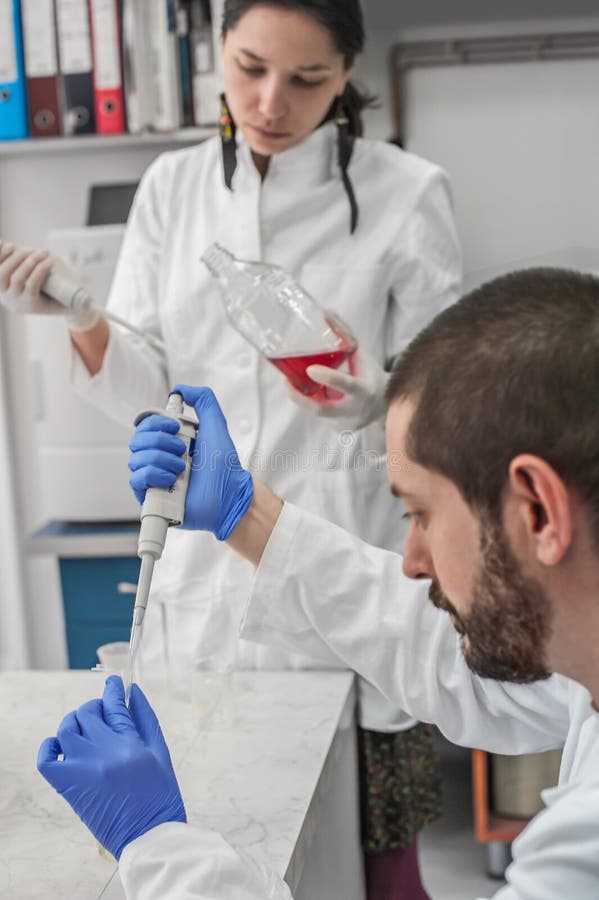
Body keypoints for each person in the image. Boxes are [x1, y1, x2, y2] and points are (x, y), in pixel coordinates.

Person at [0, 1, 462, 894]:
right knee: (215, 834)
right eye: (248, 67)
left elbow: (446, 405)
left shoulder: (409, 192)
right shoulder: (172, 188)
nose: (269, 100)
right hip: (201, 584)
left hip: (344, 569)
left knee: (380, 869)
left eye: (306, 79)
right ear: (217, 51)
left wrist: (374, 395)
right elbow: (149, 388)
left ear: (348, 75)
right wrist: (86, 319)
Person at [38, 266, 599, 899]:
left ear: (540, 512)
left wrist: (159, 847)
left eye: (420, 514)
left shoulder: (584, 851)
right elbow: (455, 657)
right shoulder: (582, 673)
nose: (412, 560)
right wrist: (242, 513)